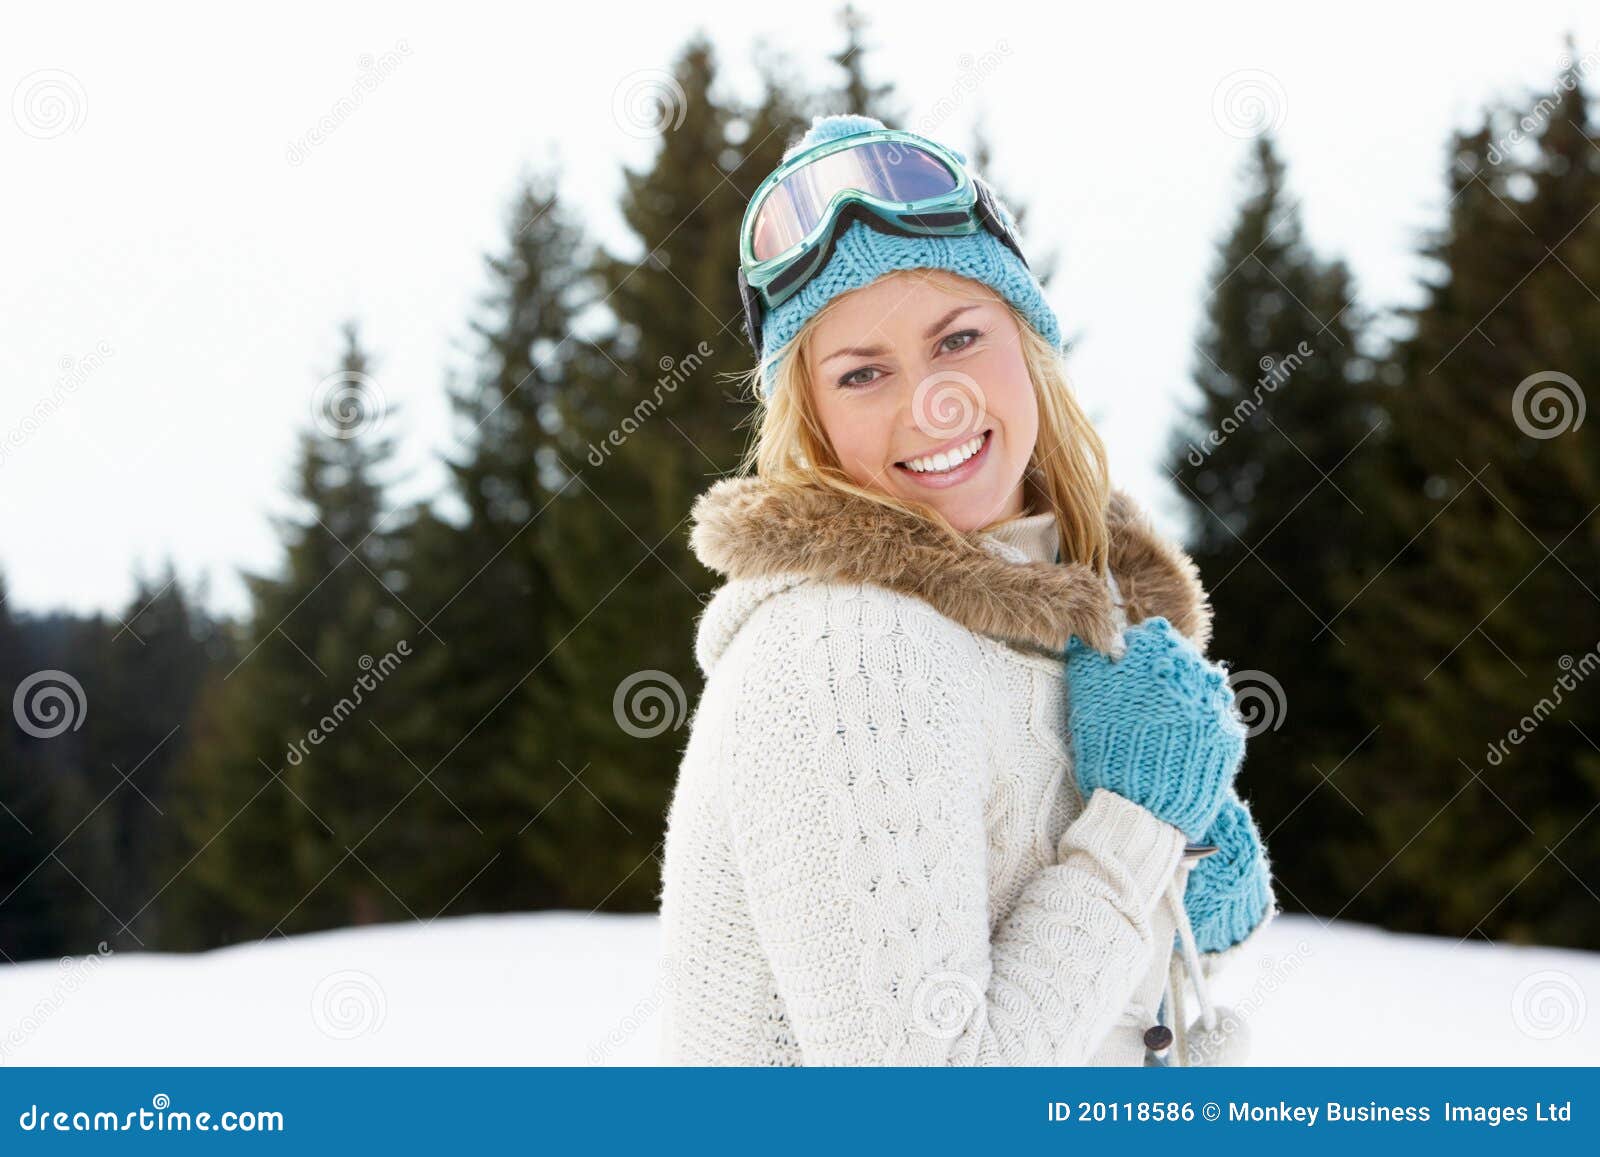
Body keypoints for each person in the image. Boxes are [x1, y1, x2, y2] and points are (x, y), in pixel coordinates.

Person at [657, 113, 1277, 1066]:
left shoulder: (1067, 629)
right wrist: (1137, 830)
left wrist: (1177, 902)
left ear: (1026, 341)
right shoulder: (849, 645)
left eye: (957, 339)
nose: (932, 404)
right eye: (864, 373)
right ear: (812, 422)